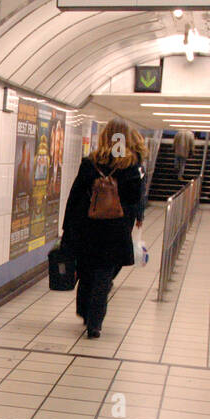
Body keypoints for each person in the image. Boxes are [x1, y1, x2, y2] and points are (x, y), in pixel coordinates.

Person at [61, 119, 145, 339]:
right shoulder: (131, 167)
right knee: (104, 276)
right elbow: (135, 199)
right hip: (115, 232)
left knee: (87, 272)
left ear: (105, 137)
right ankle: (95, 323)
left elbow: (75, 198)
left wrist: (67, 230)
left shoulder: (90, 163)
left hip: (88, 230)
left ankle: (85, 313)